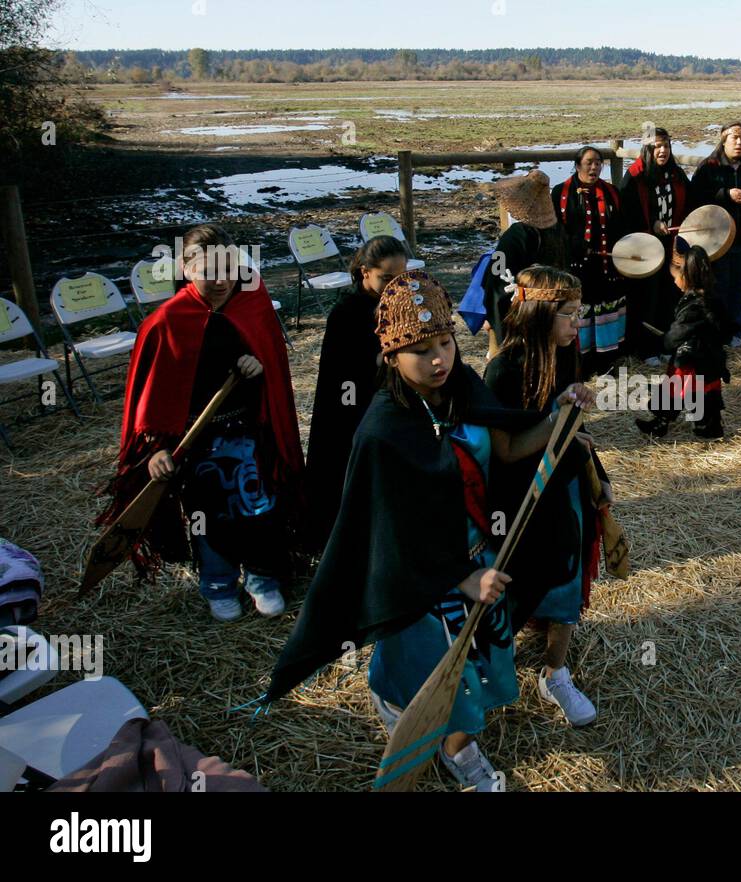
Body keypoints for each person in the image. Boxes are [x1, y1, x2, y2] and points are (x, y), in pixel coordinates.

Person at [266, 270, 595, 791]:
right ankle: (454, 747)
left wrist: (555, 417)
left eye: (445, 342)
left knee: (482, 661)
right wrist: (460, 578)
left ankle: (454, 737)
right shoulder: (382, 433)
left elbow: (506, 450)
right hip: (421, 583)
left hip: (480, 558)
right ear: (392, 356)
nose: (440, 359)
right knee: (442, 673)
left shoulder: (463, 387)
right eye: (421, 350)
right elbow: (390, 534)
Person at [100, 224, 303, 622]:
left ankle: (262, 578)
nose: (221, 280)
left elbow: (270, 369)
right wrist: (157, 447)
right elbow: (153, 392)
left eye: (228, 269)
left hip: (247, 432)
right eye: (209, 271)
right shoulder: (167, 321)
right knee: (206, 514)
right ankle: (218, 583)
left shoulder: (250, 305)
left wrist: (254, 367)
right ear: (186, 268)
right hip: (196, 442)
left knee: (257, 505)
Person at [484, 265, 610, 726]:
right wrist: (557, 418)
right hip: (520, 503)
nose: (578, 324)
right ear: (539, 313)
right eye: (569, 314)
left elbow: (572, 430)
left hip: (564, 493)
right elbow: (508, 449)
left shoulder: (563, 354)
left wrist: (598, 476)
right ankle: (489, 673)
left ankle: (555, 673)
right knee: (511, 593)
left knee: (566, 586)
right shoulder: (503, 370)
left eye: (579, 314)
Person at [305, 235, 407, 550]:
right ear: (365, 272)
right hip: (350, 409)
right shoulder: (346, 313)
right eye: (386, 278)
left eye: (400, 278)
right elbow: (343, 373)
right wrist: (381, 359)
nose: (394, 285)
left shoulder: (399, 301)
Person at [689, 122, 741, 347]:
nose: (739, 142)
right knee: (718, 285)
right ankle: (717, 330)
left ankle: (737, 330)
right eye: (734, 138)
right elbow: (696, 198)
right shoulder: (709, 167)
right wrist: (725, 194)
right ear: (723, 139)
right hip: (717, 240)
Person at [636, 240, 729, 440]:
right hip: (707, 357)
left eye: (677, 277)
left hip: (693, 359)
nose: (675, 281)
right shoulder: (712, 297)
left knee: (682, 391)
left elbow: (676, 335)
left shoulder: (694, 306)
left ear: (688, 275)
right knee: (699, 392)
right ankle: (698, 426)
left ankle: (704, 428)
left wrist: (665, 342)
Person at [619, 128, 694, 364]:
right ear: (648, 149)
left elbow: (689, 203)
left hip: (672, 245)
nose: (663, 151)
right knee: (647, 299)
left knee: (670, 296)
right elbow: (626, 214)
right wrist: (651, 223)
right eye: (657, 146)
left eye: (667, 146)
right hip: (645, 248)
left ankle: (667, 345)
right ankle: (646, 349)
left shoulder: (676, 174)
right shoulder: (634, 177)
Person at [553, 146, 626, 375]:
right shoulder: (560, 193)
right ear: (577, 166)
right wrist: (571, 244)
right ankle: (581, 364)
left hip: (606, 267)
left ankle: (607, 360)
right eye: (588, 163)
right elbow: (555, 229)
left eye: (598, 163)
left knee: (606, 312)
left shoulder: (612, 192)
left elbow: (622, 225)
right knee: (580, 313)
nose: (594, 167)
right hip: (576, 267)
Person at [482, 170, 569, 357]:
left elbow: (498, 280)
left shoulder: (517, 235)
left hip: (524, 308)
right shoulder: (558, 231)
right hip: (553, 307)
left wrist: (496, 315)